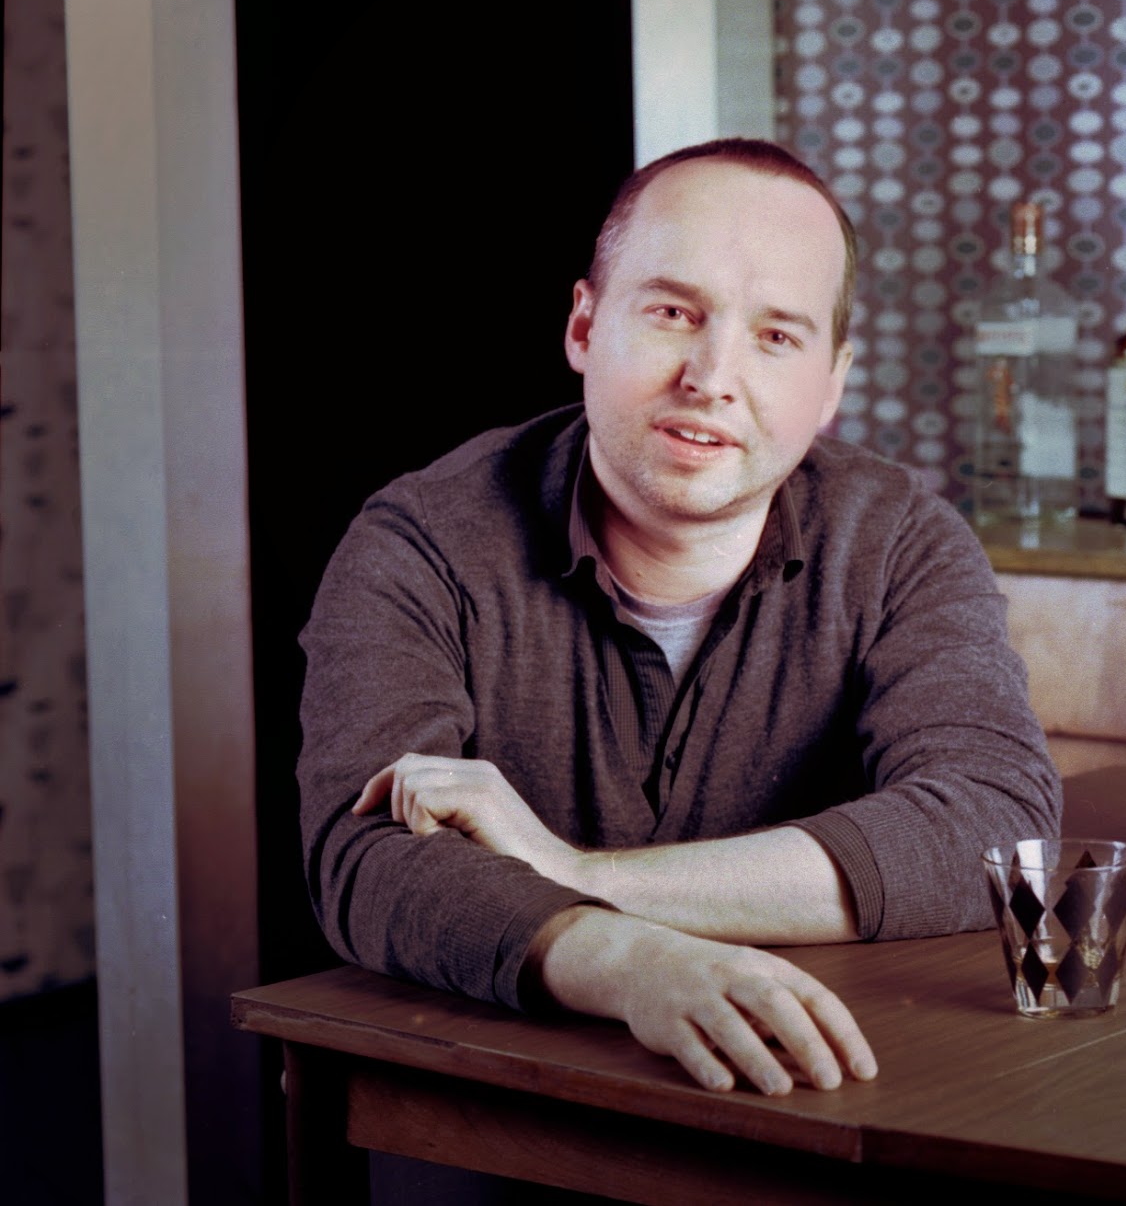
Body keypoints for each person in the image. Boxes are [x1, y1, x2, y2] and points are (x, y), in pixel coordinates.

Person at [297, 138, 1062, 1098]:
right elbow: (363, 855)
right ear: (584, 325)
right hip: (500, 1107)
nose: (711, 375)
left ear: (831, 384)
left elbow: (993, 823)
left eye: (776, 336)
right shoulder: (421, 541)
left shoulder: (901, 540)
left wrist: (577, 872)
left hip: (810, 1096)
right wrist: (626, 960)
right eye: (672, 312)